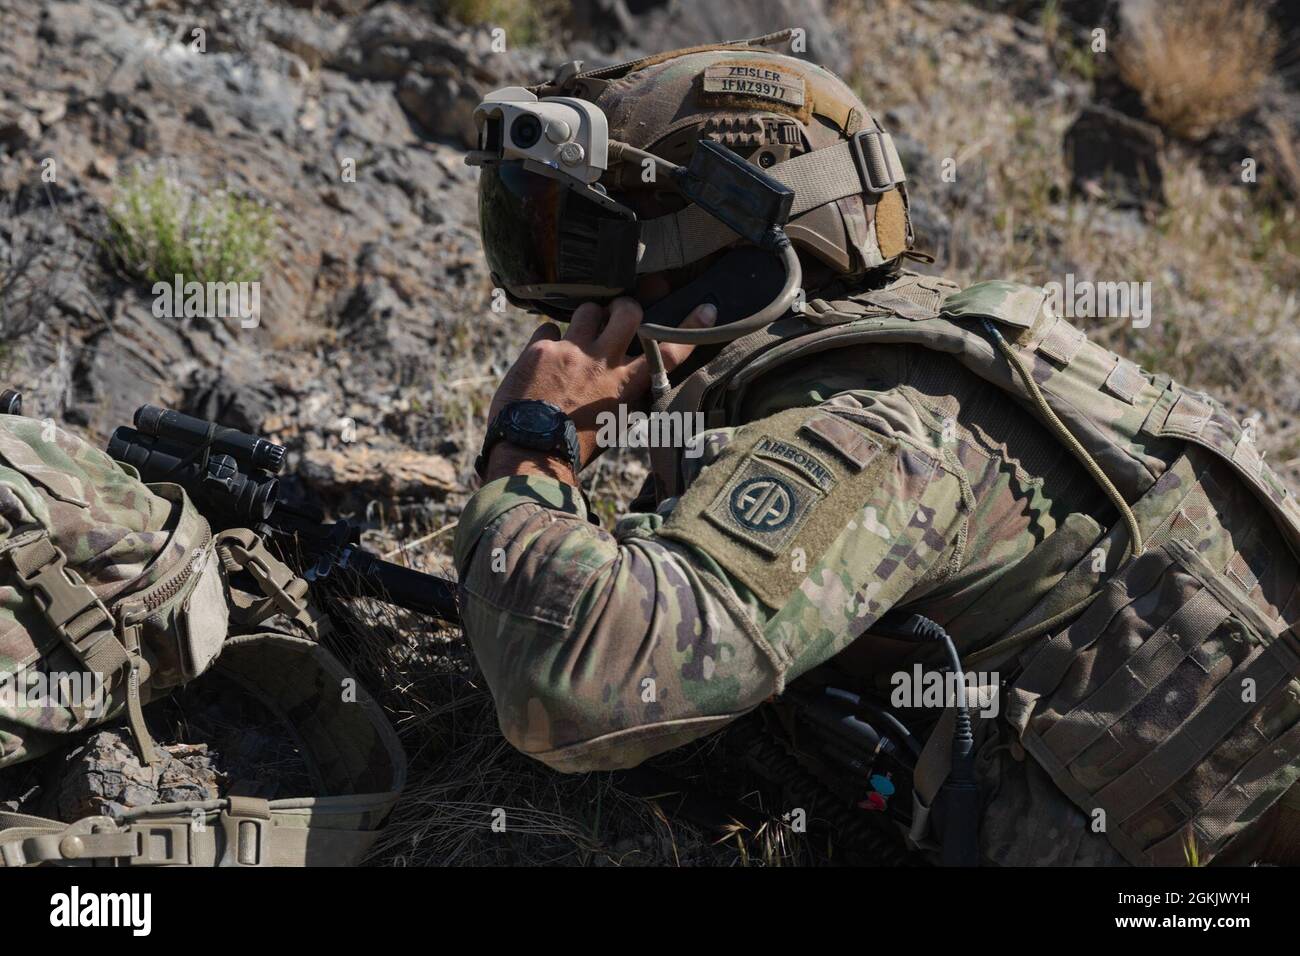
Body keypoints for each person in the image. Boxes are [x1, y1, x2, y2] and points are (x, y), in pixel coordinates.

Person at [453, 32, 1300, 865]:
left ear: (721, 250)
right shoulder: (912, 346)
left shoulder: (869, 429)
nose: (560, 297)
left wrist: (535, 442)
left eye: (586, 244)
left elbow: (568, 694)